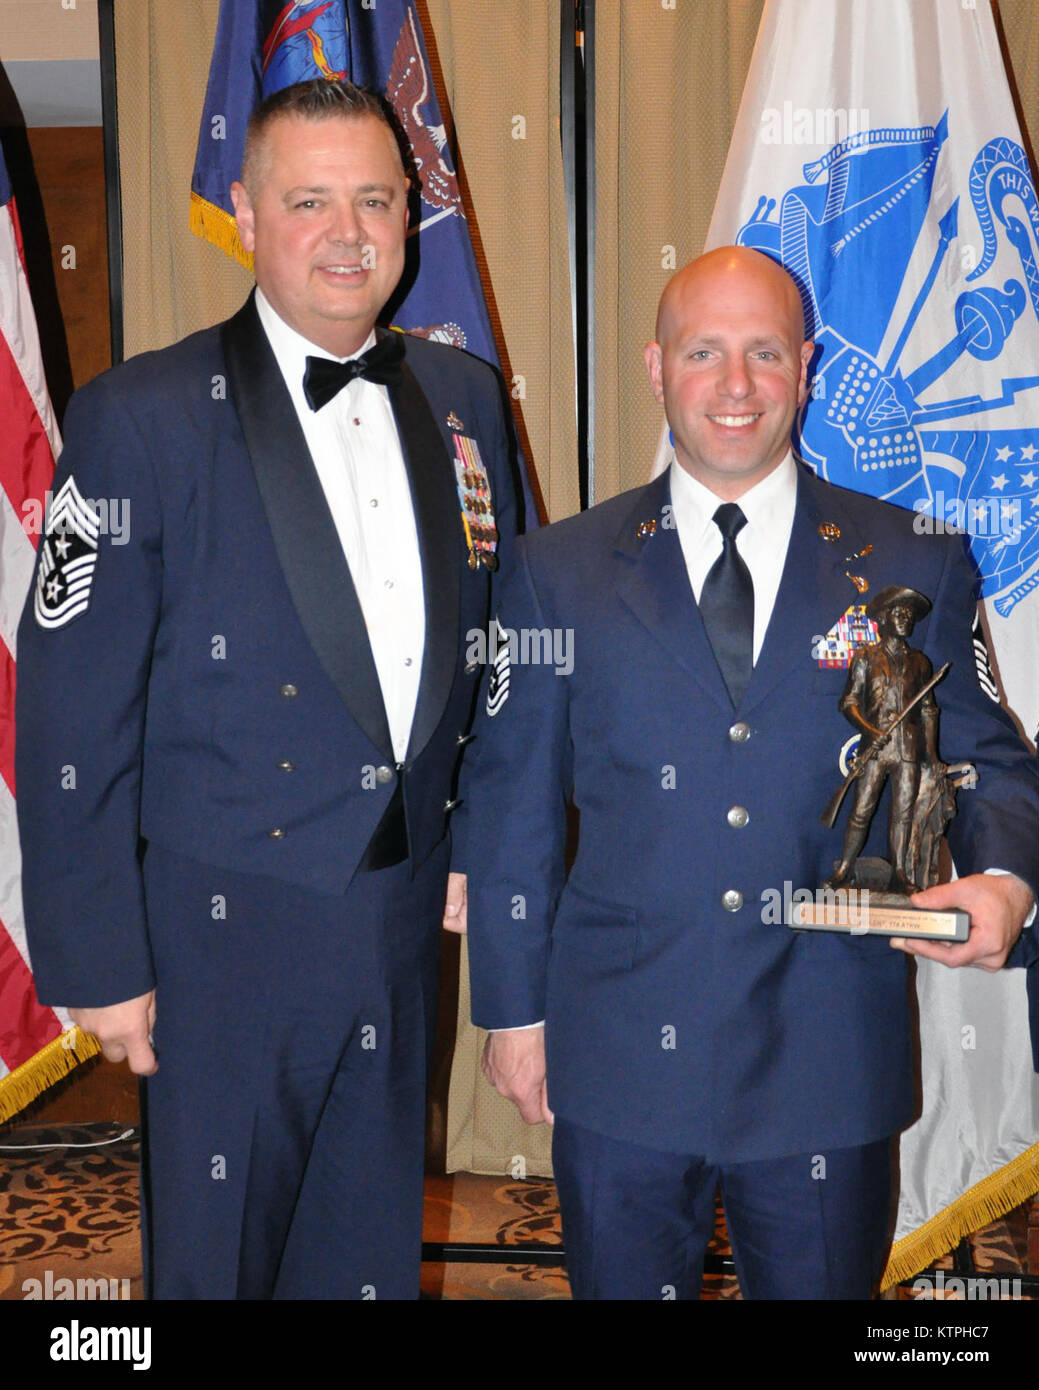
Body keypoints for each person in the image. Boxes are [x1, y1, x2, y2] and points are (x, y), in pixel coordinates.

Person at [15, 79, 523, 1300]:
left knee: (363, 1259)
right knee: (222, 1262)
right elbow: (71, 707)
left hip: (401, 920)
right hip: (219, 939)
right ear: (244, 212)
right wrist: (98, 953)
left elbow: (486, 648)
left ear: (411, 217)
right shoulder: (137, 416)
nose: (348, 233)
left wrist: (472, 840)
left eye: (375, 201)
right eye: (309, 201)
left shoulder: (459, 398)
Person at [460, 247, 1039, 1300]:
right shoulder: (560, 571)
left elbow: (988, 752)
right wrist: (511, 1009)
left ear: (807, 367)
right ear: (655, 368)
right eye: (704, 353)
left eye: (765, 353)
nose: (735, 387)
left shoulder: (910, 556)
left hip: (825, 1054)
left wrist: (1005, 879)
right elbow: (512, 802)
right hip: (621, 1049)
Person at [825, 585, 940, 894]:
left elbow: (928, 711)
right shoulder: (865, 657)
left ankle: (899, 873)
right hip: (875, 751)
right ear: (883, 619)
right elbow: (848, 702)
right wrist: (870, 730)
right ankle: (846, 868)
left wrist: (931, 756)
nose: (906, 619)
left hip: (907, 751)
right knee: (861, 810)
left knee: (904, 813)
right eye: (899, 613)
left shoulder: (921, 663)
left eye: (910, 615)